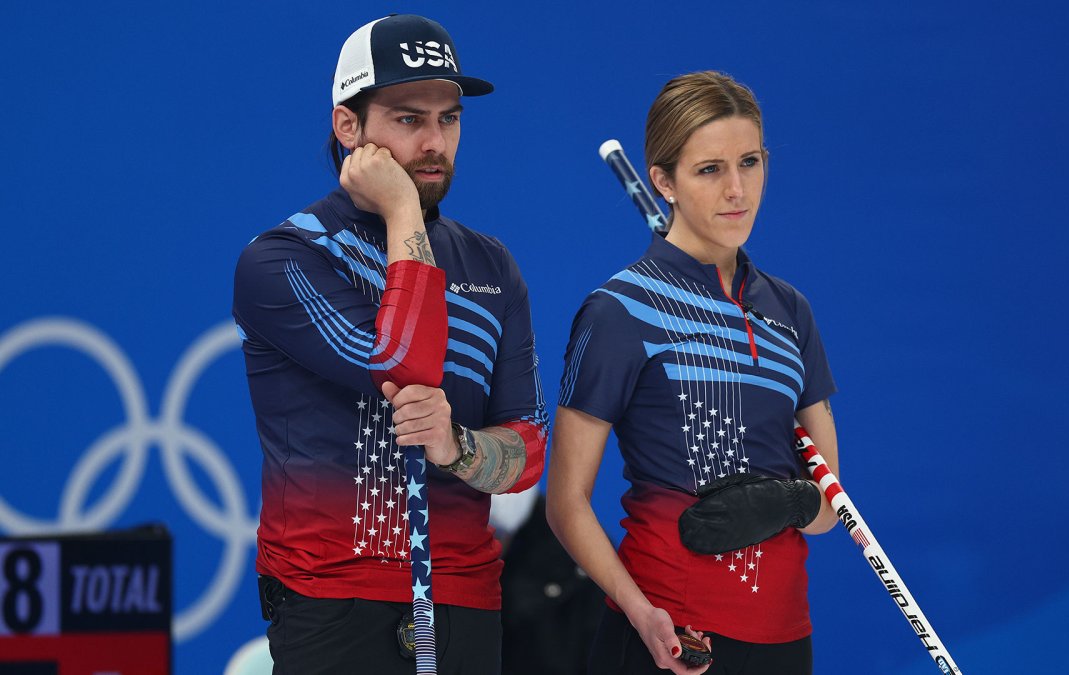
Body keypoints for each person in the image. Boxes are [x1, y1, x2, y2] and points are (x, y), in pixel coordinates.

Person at [232, 14, 547, 674]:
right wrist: (405, 211)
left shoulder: (492, 266)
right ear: (349, 127)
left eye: (449, 119)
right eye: (408, 120)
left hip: (466, 600)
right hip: (331, 600)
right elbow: (403, 360)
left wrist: (458, 446)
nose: (435, 142)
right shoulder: (283, 258)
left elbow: (525, 450)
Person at [546, 71, 840, 675]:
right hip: (673, 636)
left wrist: (781, 500)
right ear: (662, 181)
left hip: (785, 640)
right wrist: (638, 611)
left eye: (751, 162)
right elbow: (566, 502)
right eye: (710, 169)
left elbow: (828, 511)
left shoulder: (790, 312)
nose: (738, 190)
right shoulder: (619, 310)